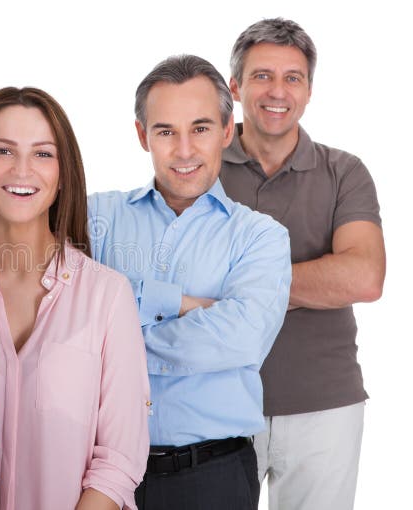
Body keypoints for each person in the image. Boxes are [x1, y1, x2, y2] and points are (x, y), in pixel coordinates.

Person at [87, 55, 291, 510]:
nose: (183, 150)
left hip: (212, 478)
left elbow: (240, 338)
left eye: (199, 129)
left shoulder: (260, 237)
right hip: (100, 476)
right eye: (165, 131)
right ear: (143, 136)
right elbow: (56, 318)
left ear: (226, 131)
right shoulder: (94, 219)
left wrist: (115, 335)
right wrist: (181, 303)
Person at [0, 87, 150, 510]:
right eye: (3, 151)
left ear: (62, 175)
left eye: (42, 154)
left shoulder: (107, 296)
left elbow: (118, 461)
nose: (23, 170)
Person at [220, 18, 386, 510]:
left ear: (309, 90)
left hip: (325, 405)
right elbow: (179, 276)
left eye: (292, 77)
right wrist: (313, 279)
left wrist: (245, 288)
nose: (278, 91)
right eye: (262, 76)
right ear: (235, 87)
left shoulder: (344, 172)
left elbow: (364, 276)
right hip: (216, 404)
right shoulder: (198, 166)